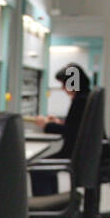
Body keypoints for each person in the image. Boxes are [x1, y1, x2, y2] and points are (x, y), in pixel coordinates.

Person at [27, 63, 91, 195]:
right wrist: (58, 122)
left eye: (64, 84)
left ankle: (47, 207)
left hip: (75, 153)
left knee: (38, 168)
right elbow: (75, 127)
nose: (62, 88)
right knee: (43, 166)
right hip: (84, 151)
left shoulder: (80, 101)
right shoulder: (86, 98)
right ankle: (54, 203)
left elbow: (70, 132)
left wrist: (46, 125)